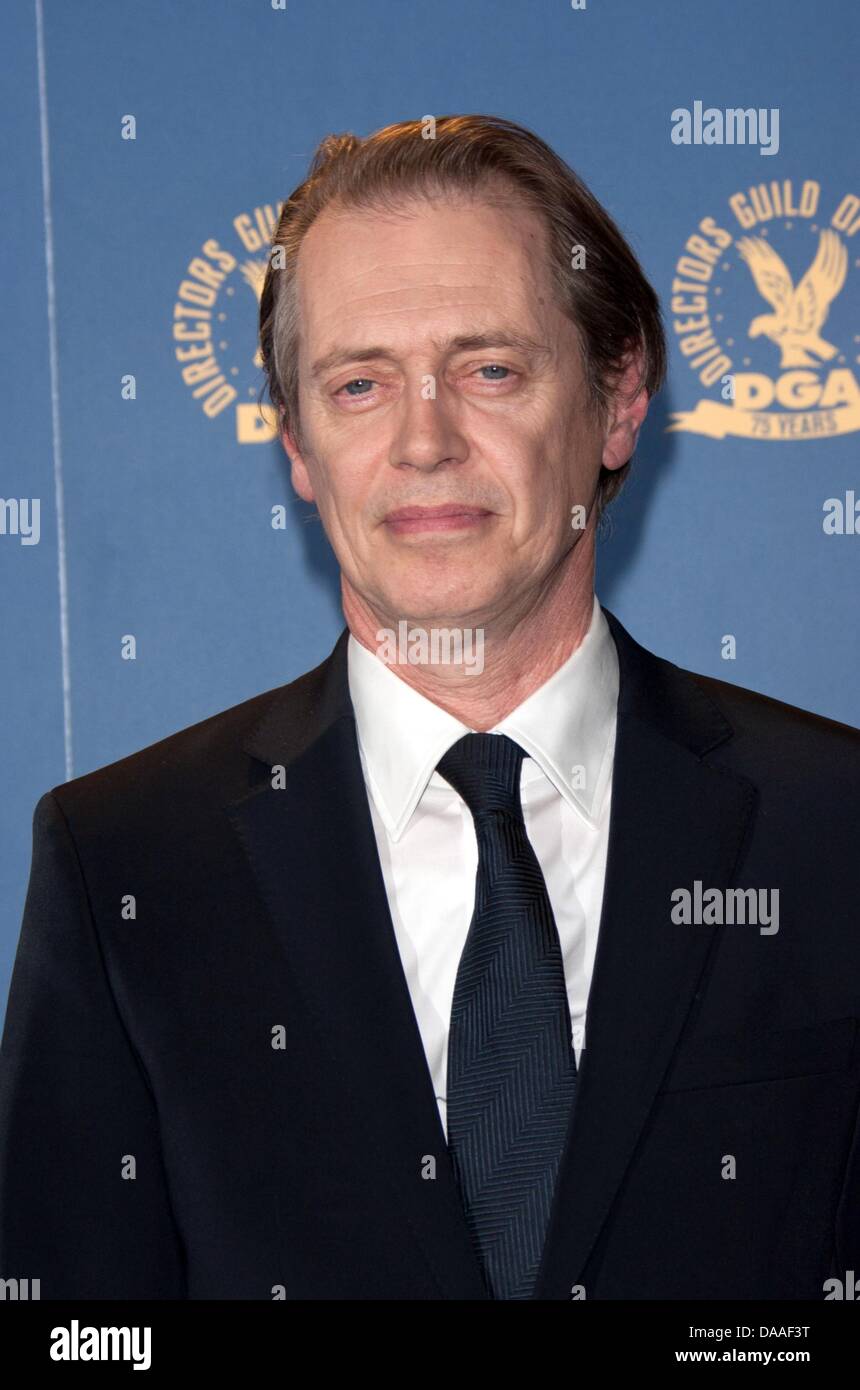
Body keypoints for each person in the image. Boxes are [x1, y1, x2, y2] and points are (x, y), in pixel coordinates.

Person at [1, 115, 859, 1301]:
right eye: (358, 384)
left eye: (488, 369)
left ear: (617, 399)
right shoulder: (126, 860)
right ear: (297, 444)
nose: (422, 439)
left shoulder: (831, 831)